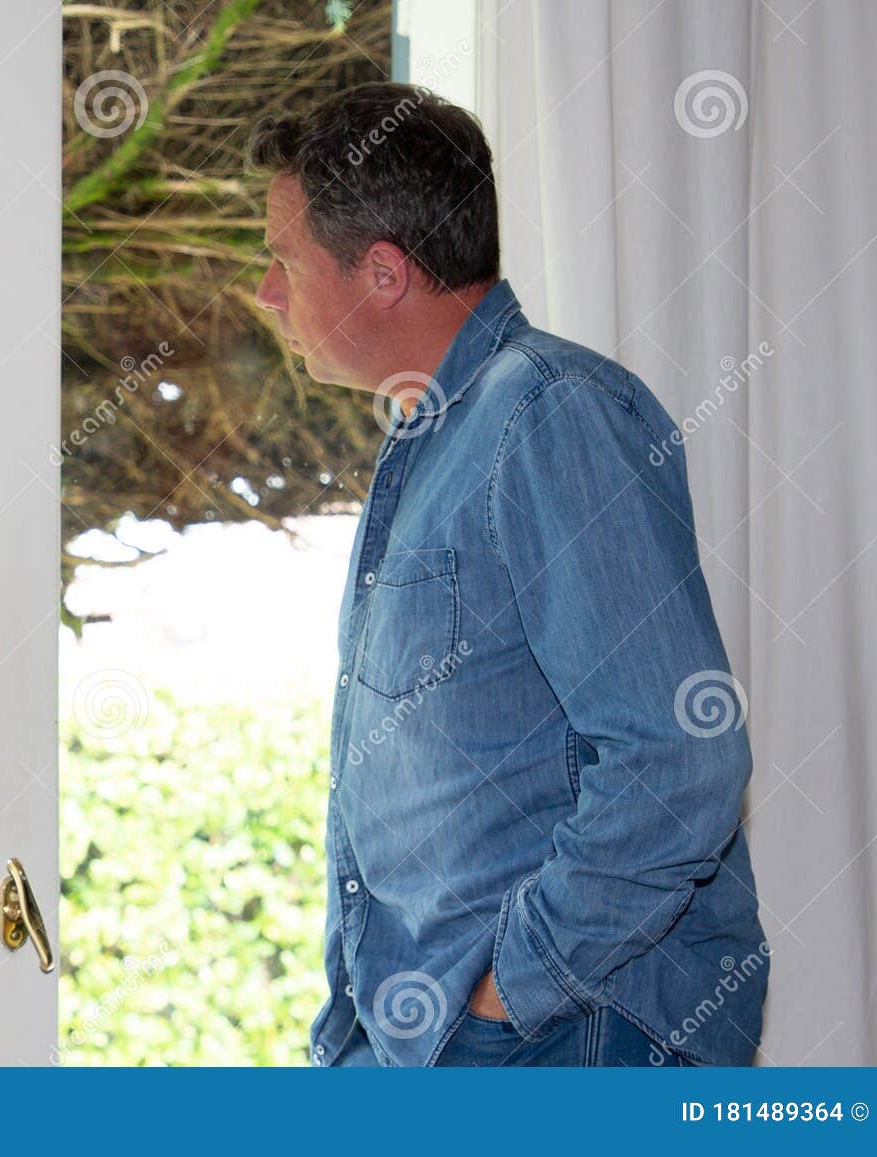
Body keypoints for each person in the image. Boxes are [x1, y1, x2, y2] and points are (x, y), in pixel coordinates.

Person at [245, 82, 769, 1067]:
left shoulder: (547, 415)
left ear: (385, 273)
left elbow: (680, 754)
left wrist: (507, 993)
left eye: (282, 258)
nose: (267, 293)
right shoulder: (437, 438)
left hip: (557, 1041)